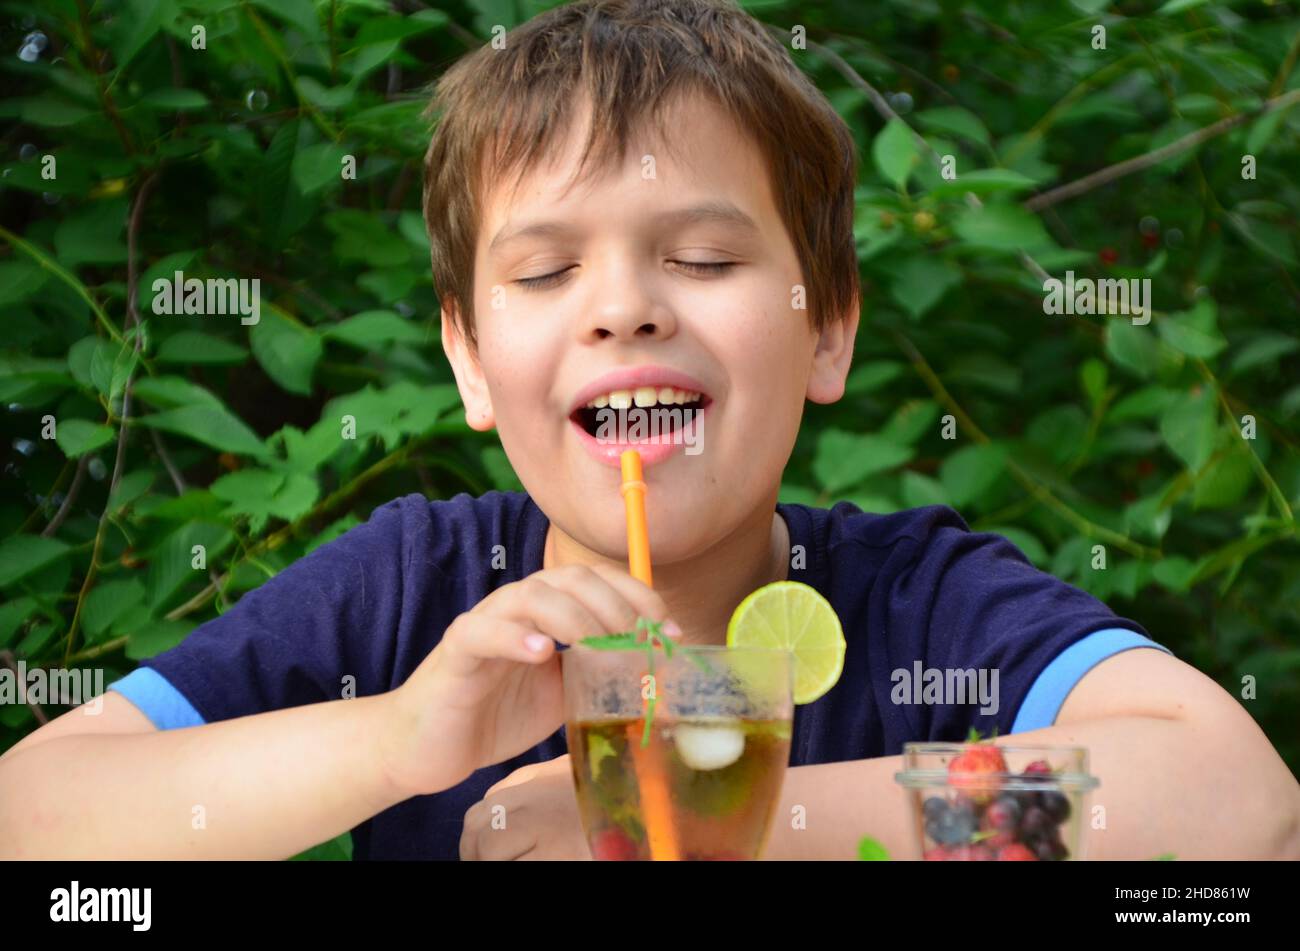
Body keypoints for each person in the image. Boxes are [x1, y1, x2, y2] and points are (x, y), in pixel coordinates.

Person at [2, 0, 1296, 861]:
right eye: (548, 270)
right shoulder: (410, 597)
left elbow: (1241, 803)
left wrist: (736, 822)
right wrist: (401, 739)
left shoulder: (921, 604)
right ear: (464, 356)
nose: (623, 307)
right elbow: (29, 821)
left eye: (699, 255)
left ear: (828, 324)